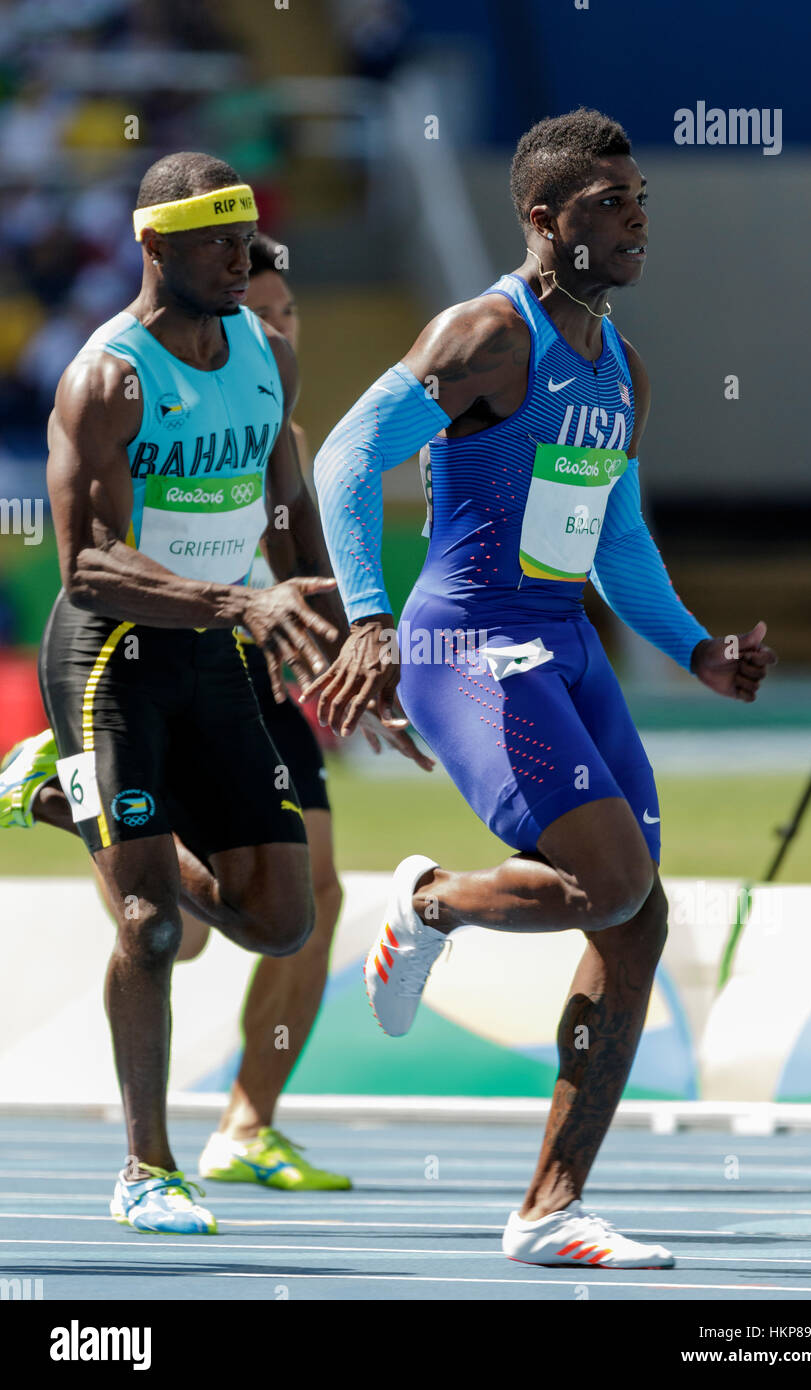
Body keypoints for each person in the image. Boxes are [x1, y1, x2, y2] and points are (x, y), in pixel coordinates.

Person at [309, 109, 777, 1269]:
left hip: (562, 645)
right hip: (466, 646)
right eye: (609, 205)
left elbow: (615, 543)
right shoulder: (483, 336)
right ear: (542, 218)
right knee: (610, 882)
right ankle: (429, 906)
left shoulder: (621, 369)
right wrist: (368, 615)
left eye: (639, 205)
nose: (633, 224)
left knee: (637, 915)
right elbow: (346, 457)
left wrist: (694, 650)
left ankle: (547, 1209)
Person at [1, 151, 410, 1236]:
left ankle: (59, 799)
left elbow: (284, 512)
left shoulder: (266, 354)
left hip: (221, 652)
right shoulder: (108, 377)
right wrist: (241, 609)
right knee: (148, 929)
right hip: (109, 659)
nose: (240, 258)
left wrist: (343, 633)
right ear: (152, 247)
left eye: (246, 237)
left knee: (281, 922)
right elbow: (86, 561)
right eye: (216, 241)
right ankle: (147, 1165)